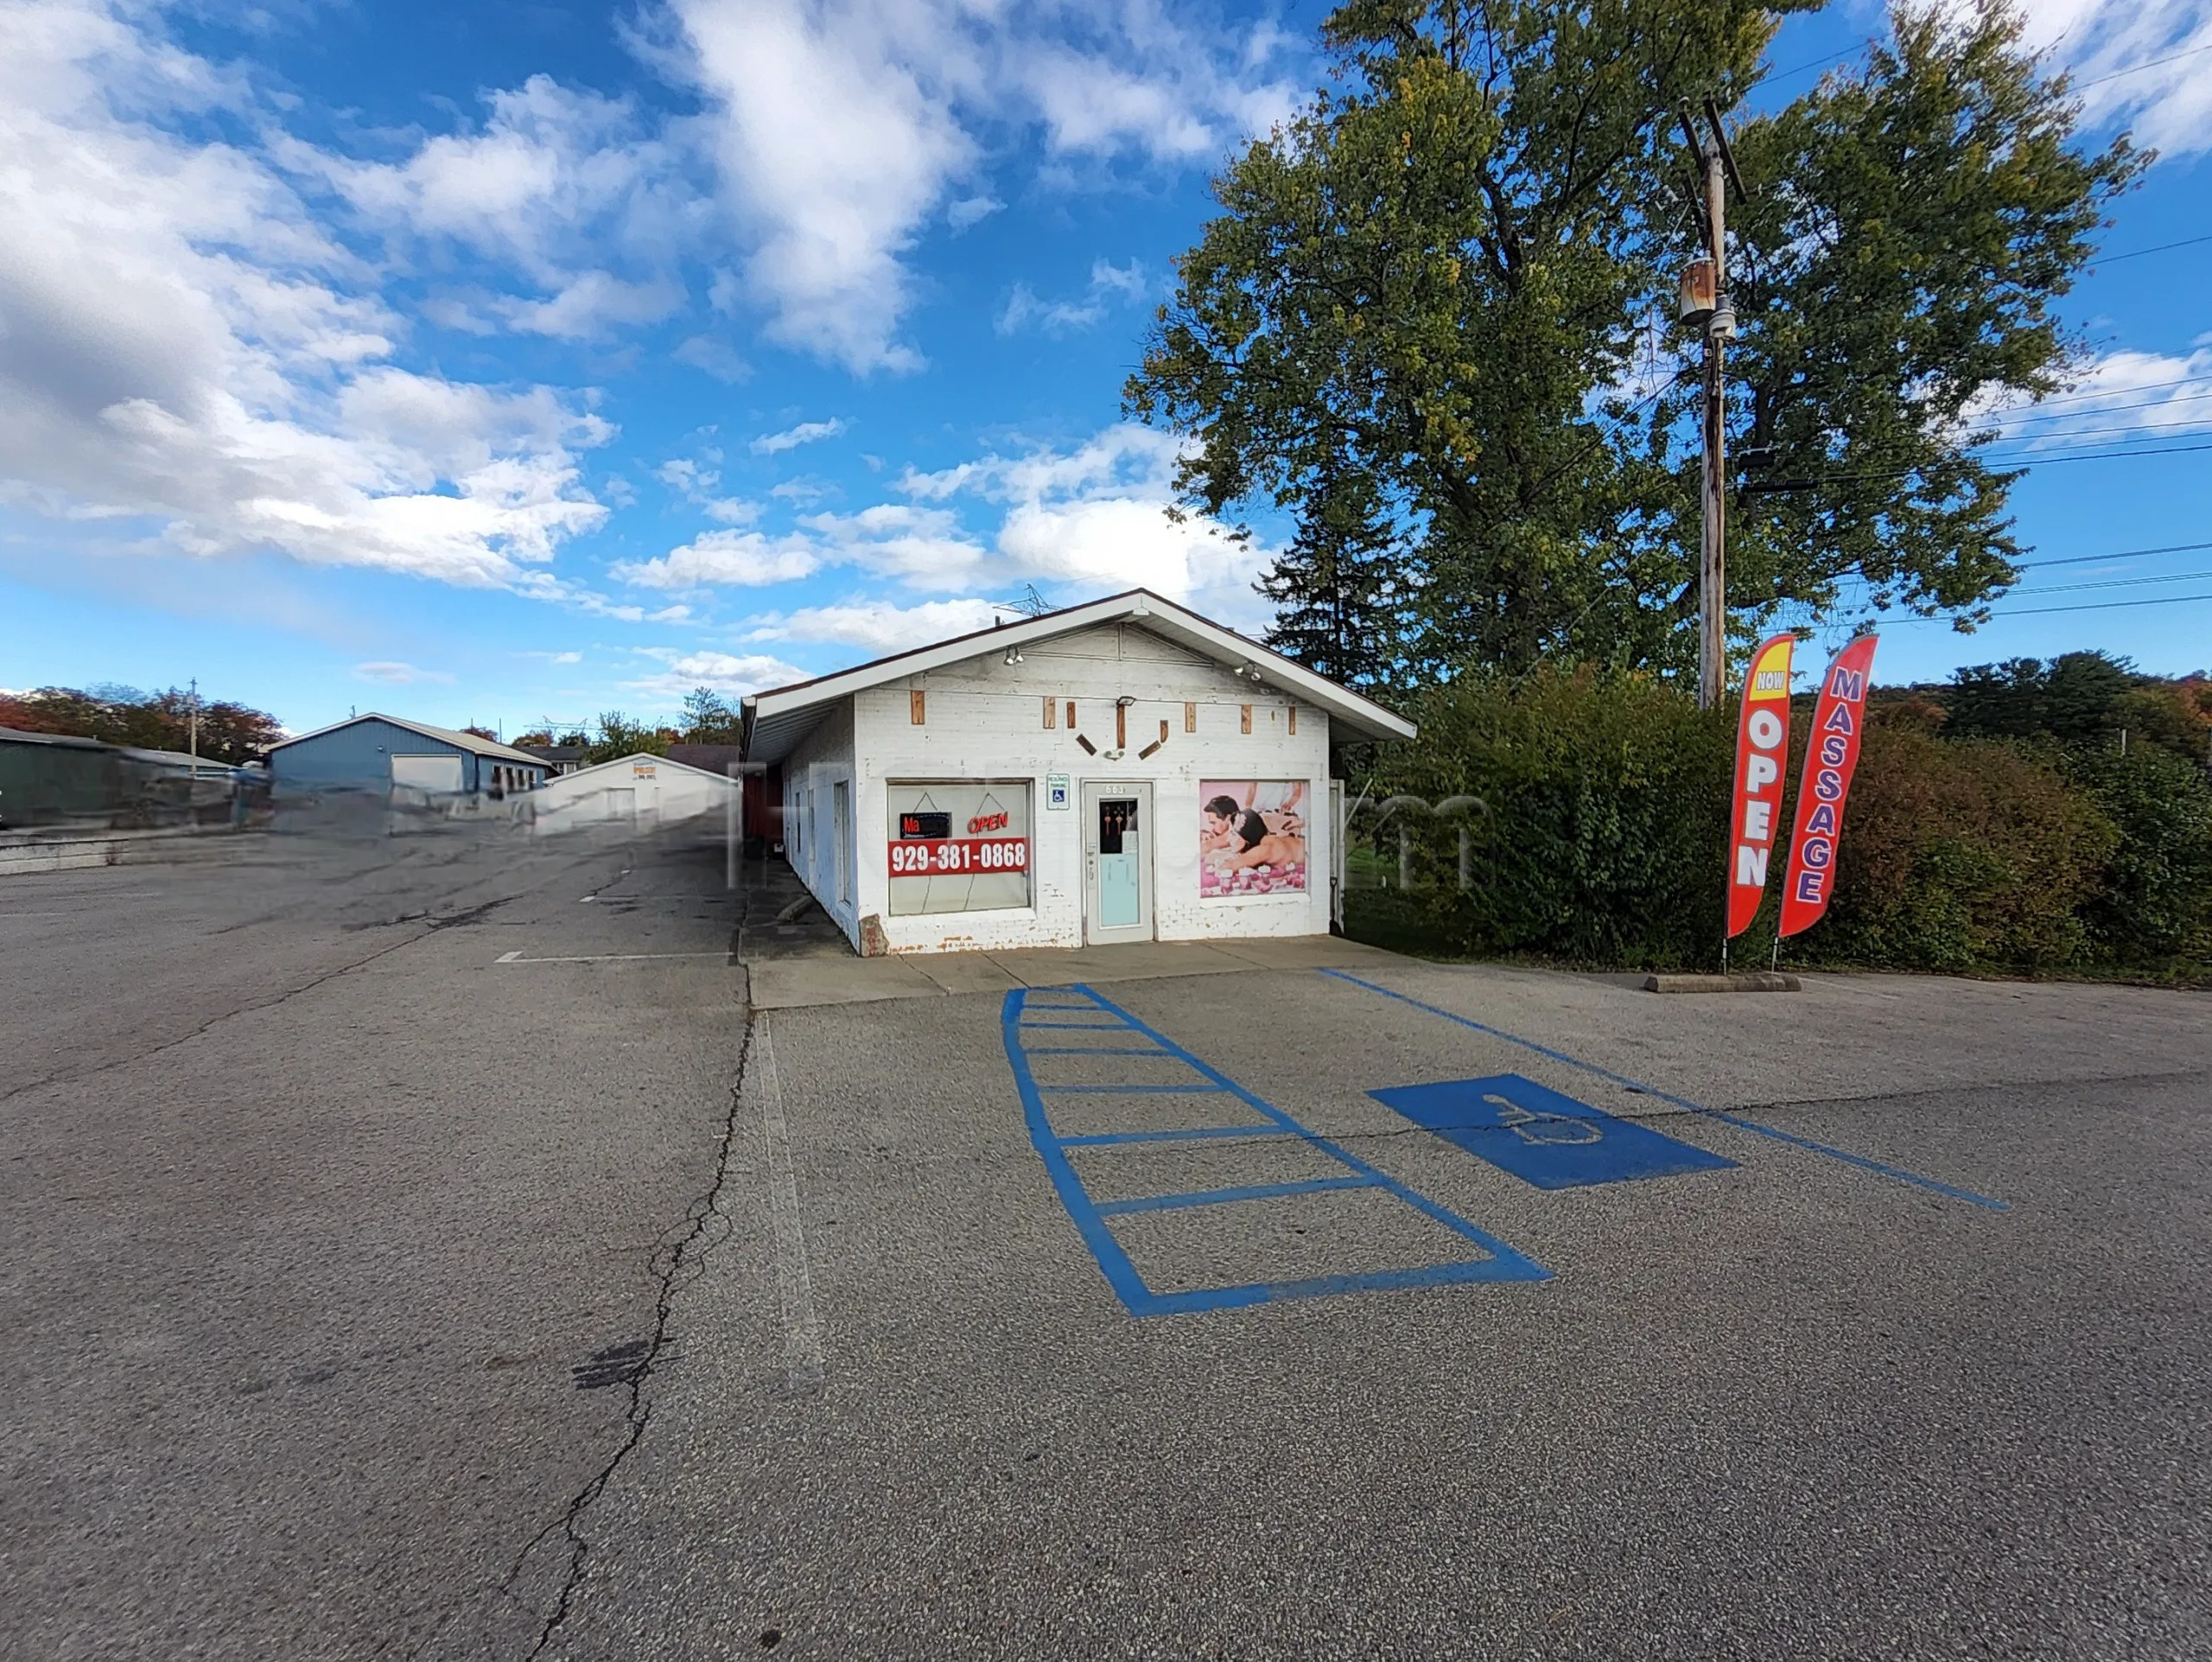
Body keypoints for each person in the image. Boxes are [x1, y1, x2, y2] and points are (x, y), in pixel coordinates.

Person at [1202, 790, 1306, 874]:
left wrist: (1219, 858)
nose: (1228, 839)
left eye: (1232, 834)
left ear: (1246, 839)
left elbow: (1229, 867)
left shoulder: (1265, 849)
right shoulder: (1248, 831)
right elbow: (1211, 843)